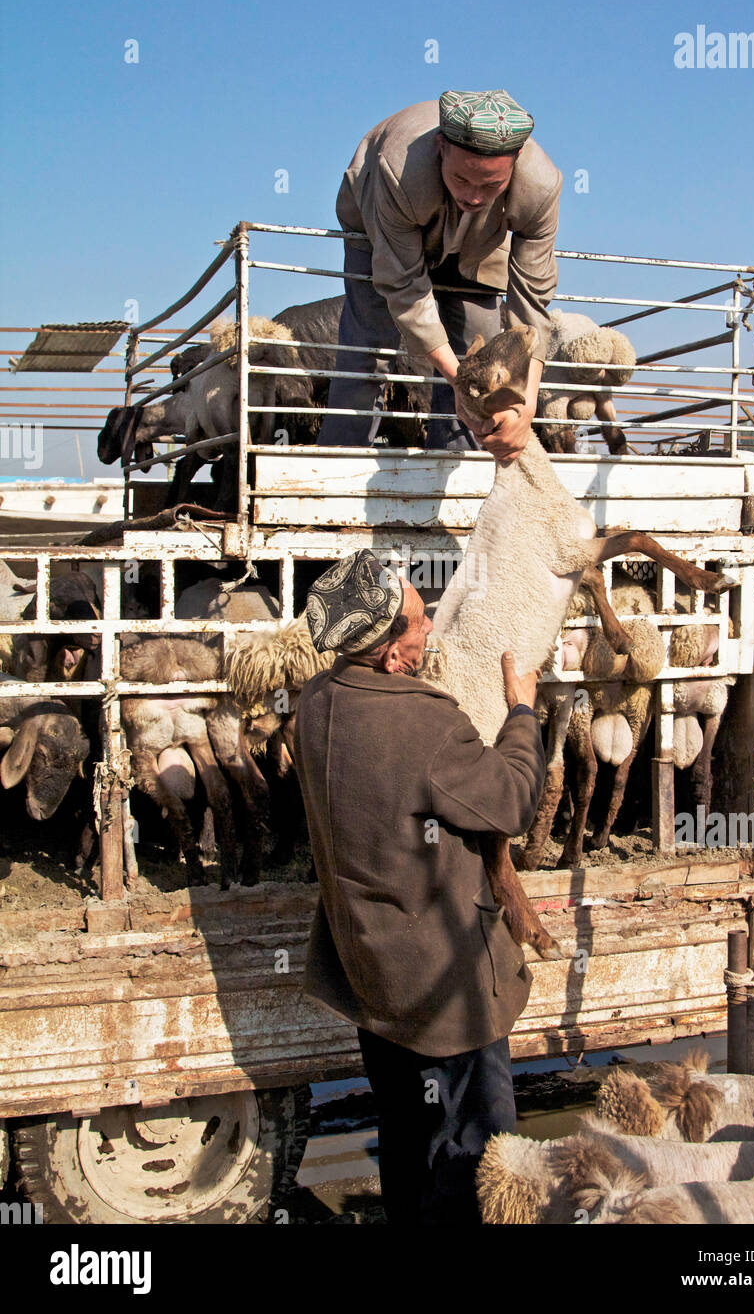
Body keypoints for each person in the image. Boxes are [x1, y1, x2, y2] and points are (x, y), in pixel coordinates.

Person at [293, 548, 546, 1223]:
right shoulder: (423, 724)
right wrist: (522, 714)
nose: (430, 624)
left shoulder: (315, 702)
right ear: (389, 654)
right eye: (416, 620)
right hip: (445, 999)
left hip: (375, 983)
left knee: (406, 1141)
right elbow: (512, 800)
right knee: (475, 1170)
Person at [317, 89, 562, 462]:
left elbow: (532, 301)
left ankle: (457, 468)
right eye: (463, 179)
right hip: (383, 225)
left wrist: (524, 406)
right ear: (440, 148)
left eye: (491, 185)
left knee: (477, 347)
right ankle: (339, 466)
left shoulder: (540, 188)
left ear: (516, 160)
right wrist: (459, 380)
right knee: (369, 344)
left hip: (480, 240)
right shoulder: (398, 170)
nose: (475, 197)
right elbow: (403, 285)